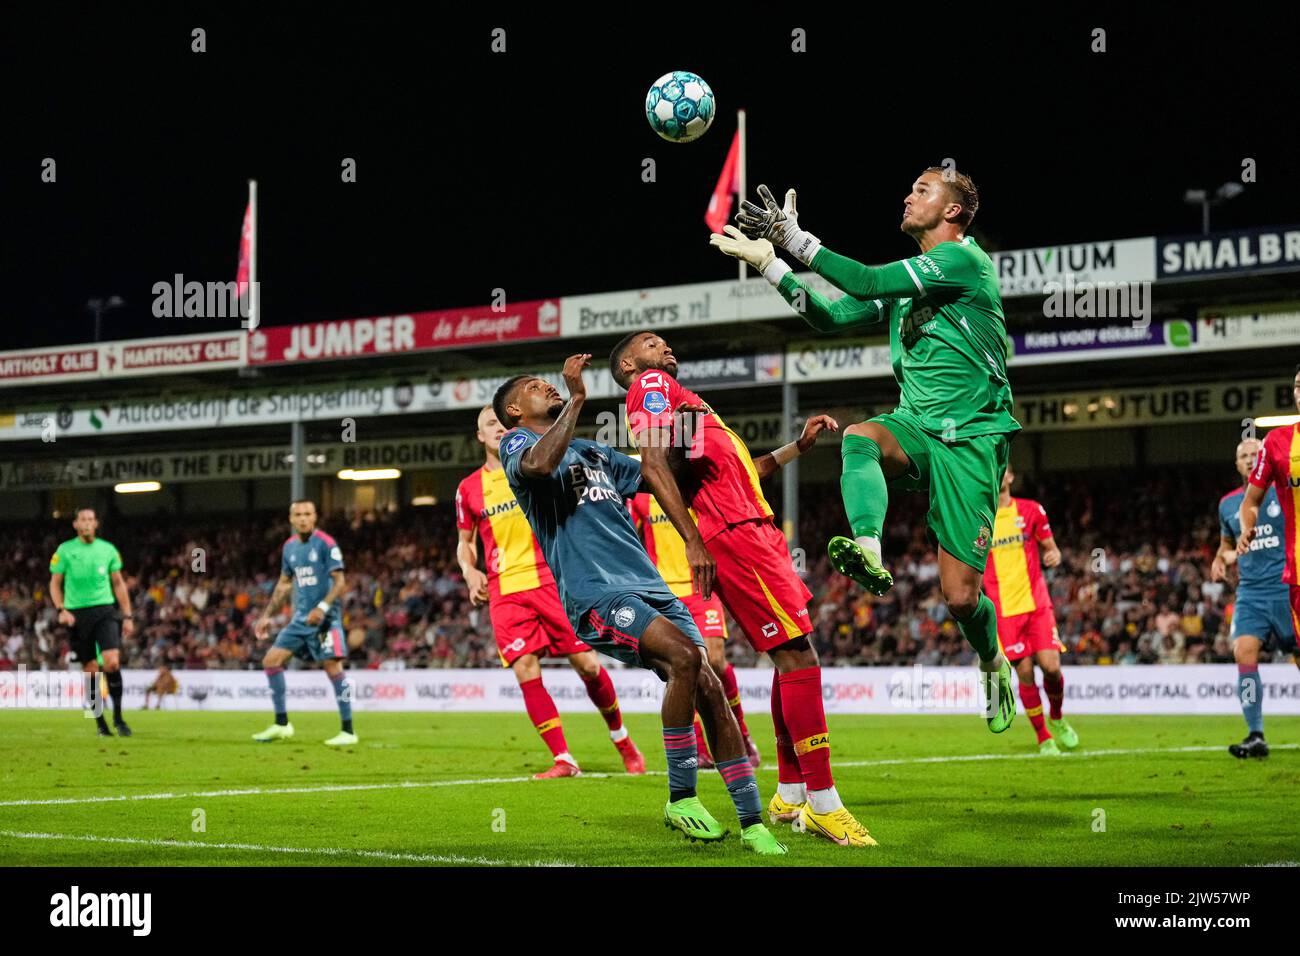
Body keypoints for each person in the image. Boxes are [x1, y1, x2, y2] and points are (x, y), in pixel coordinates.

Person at [710, 168, 1019, 734]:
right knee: (859, 437)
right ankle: (869, 548)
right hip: (918, 427)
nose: (908, 194)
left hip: (972, 439)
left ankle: (992, 659)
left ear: (953, 213)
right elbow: (830, 315)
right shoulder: (915, 287)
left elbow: (868, 282)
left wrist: (795, 239)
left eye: (923, 190)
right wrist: (771, 265)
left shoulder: (963, 263)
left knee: (959, 599)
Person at [494, 354, 789, 854]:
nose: (544, 385)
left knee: (709, 689)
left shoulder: (594, 453)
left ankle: (752, 821)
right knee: (686, 657)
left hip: (650, 587)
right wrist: (579, 398)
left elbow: (662, 475)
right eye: (531, 386)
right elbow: (541, 465)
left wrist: (686, 425)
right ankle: (680, 797)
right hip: (596, 593)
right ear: (515, 412)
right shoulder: (517, 445)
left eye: (546, 383)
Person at [611, 332, 875, 847]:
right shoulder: (651, 383)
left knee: (790, 656)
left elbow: (742, 474)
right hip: (734, 534)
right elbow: (653, 464)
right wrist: (693, 540)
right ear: (628, 363)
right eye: (650, 342)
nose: (665, 347)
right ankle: (824, 802)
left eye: (666, 343)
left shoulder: (690, 409)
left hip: (750, 525)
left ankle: (793, 790)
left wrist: (796, 448)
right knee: (800, 657)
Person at [456, 404, 644, 778]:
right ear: (479, 436)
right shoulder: (468, 489)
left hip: (552, 579)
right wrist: (468, 570)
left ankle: (621, 739)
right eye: (487, 424)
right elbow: (465, 542)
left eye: (499, 421)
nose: (495, 428)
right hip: (506, 590)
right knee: (525, 669)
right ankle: (564, 758)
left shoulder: (534, 466)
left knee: (588, 665)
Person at [630, 488, 759, 768]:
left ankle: (743, 735)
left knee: (715, 660)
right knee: (685, 667)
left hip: (701, 586)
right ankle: (699, 748)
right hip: (663, 592)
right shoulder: (639, 495)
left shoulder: (691, 484)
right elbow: (629, 539)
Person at [983, 467, 1078, 754]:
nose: (998, 474)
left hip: (1036, 604)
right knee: (1025, 674)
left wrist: (1054, 554)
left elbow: (1052, 548)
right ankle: (1044, 737)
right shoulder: (980, 519)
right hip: (1005, 612)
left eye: (1003, 470)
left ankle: (1058, 718)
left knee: (1051, 667)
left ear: (1011, 477)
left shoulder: (1031, 510)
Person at [251, 500, 356, 746]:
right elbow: (284, 583)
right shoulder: (289, 547)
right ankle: (281, 724)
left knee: (333, 669)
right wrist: (267, 615)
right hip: (300, 620)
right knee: (271, 661)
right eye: (298, 514)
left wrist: (322, 607)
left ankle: (348, 730)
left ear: (315, 516)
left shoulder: (326, 544)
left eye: (307, 514)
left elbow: (340, 582)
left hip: (326, 620)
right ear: (291, 519)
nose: (303, 518)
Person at [1216, 436, 1295, 757]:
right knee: (1243, 653)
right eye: (1243, 456)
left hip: (1288, 587)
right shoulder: (1228, 504)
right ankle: (1256, 734)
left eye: (1256, 454)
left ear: (1265, 458)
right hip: (1251, 593)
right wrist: (1221, 557)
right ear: (1236, 464)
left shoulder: (1286, 490)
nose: (1250, 459)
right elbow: (1225, 544)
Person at [49, 506, 134, 737]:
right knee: (91, 670)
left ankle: (118, 718)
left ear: (96, 524)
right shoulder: (65, 551)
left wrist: (127, 615)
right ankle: (101, 725)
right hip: (77, 615)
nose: (86, 523)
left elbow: (118, 583)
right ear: (75, 524)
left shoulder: (108, 550)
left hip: (105, 610)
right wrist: (61, 609)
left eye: (90, 519)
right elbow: (55, 584)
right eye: (82, 520)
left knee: (112, 662)